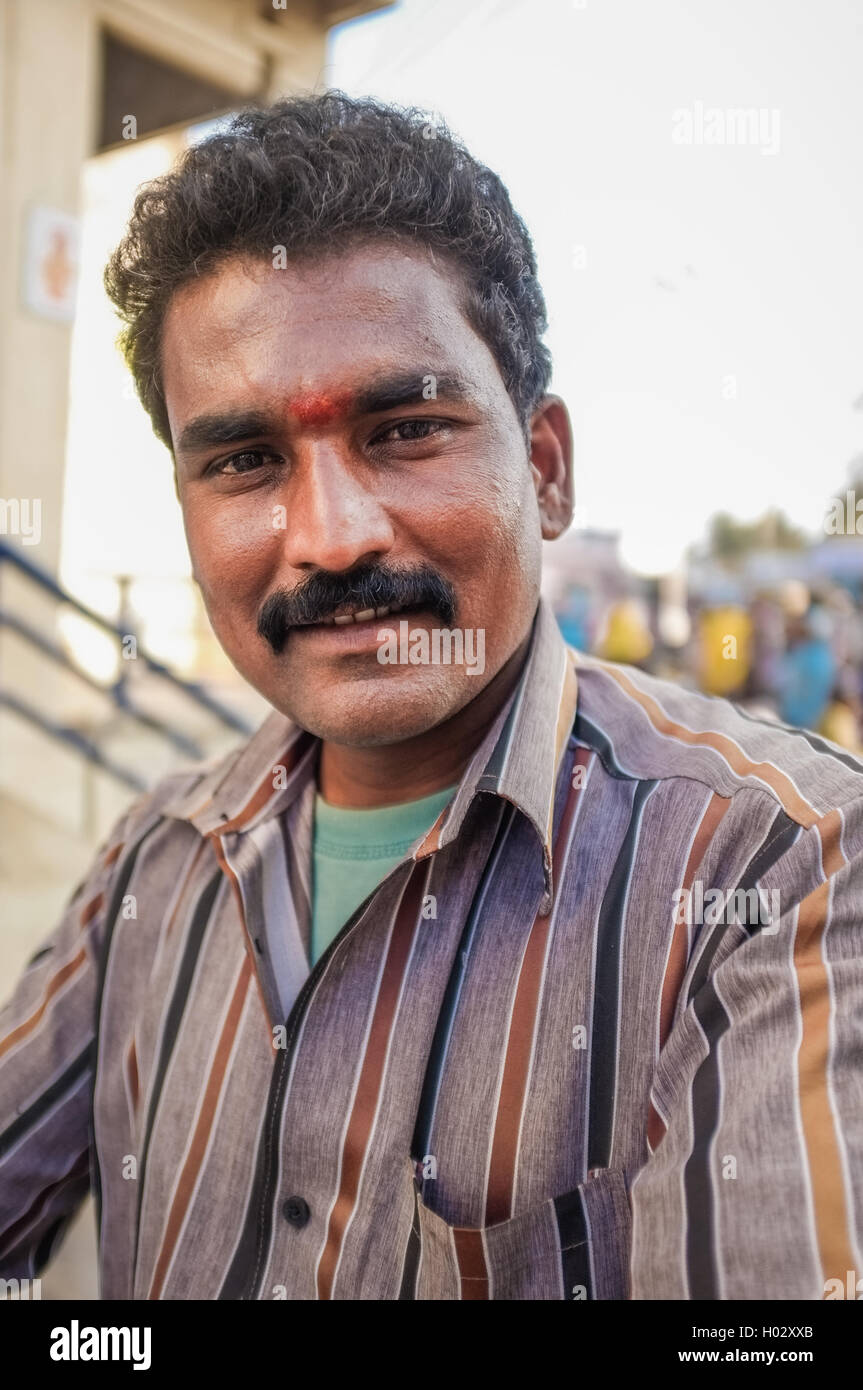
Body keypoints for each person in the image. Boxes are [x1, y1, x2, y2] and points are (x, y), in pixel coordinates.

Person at [1, 92, 861, 1301]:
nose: (330, 537)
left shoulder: (781, 864)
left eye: (405, 428)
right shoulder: (153, 863)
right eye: (245, 461)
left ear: (544, 470)